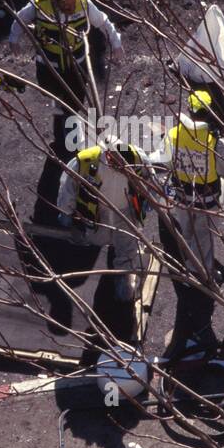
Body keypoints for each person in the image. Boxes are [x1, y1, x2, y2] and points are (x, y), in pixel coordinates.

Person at [9, 0, 124, 225]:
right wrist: (14, 40)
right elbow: (20, 18)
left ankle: (67, 134)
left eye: (72, 4)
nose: (71, 8)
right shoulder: (40, 4)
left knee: (72, 103)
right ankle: (66, 132)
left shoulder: (83, 2)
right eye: (66, 4)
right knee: (61, 103)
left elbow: (103, 22)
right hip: (49, 66)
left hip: (77, 65)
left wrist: (116, 43)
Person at [157, 89, 224, 357]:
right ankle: (201, 276)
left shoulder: (174, 134)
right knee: (203, 242)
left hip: (181, 199)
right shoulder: (213, 140)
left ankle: (190, 266)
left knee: (186, 234)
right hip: (206, 201)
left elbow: (164, 161)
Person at [52, 137, 149, 346]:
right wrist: (65, 211)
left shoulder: (136, 158)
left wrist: (148, 202)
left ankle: (124, 284)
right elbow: (68, 185)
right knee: (95, 239)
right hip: (98, 214)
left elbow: (149, 180)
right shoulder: (86, 161)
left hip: (125, 213)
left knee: (127, 250)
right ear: (107, 155)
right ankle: (90, 253)